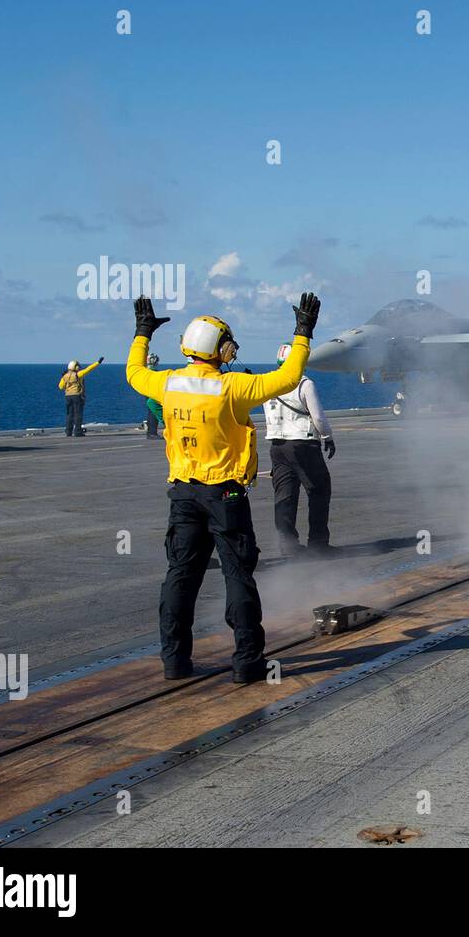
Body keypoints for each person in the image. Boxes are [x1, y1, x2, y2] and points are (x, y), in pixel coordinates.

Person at [125, 292, 321, 683]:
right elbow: (287, 378)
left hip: (183, 495)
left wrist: (142, 333)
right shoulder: (232, 387)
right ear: (219, 348)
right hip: (225, 496)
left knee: (180, 577)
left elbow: (133, 372)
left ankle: (174, 662)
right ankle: (247, 662)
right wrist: (303, 332)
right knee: (238, 576)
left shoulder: (167, 383)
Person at [264, 343, 337, 557]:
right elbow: (318, 417)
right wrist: (328, 437)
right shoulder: (305, 384)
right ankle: (318, 544)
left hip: (277, 446)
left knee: (284, 496)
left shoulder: (268, 381)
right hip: (303, 445)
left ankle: (287, 546)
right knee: (319, 491)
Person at [59, 356, 103, 437]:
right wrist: (98, 362)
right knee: (78, 414)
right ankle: (77, 432)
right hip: (77, 396)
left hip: (68, 397)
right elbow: (88, 369)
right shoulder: (78, 374)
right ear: (75, 367)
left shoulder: (64, 376)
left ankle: (68, 432)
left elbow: (60, 387)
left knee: (69, 414)